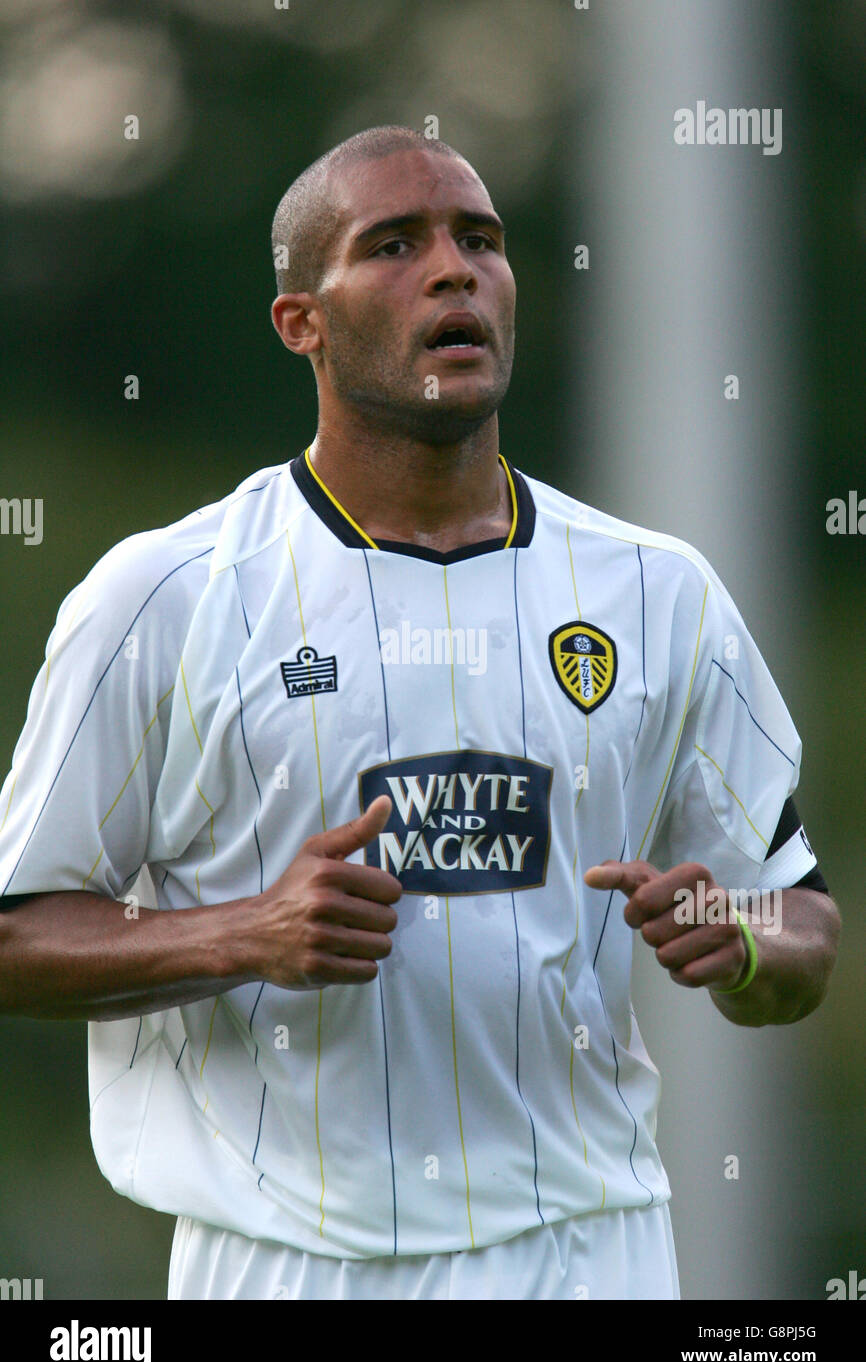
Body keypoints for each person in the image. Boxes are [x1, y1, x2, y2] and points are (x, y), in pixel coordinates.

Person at [0, 126, 840, 1301]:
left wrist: (745, 937)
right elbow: (16, 932)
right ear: (303, 320)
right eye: (393, 245)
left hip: (592, 1251)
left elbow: (801, 920)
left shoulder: (658, 591)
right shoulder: (164, 595)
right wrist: (245, 933)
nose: (454, 271)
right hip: (288, 1265)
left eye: (479, 242)